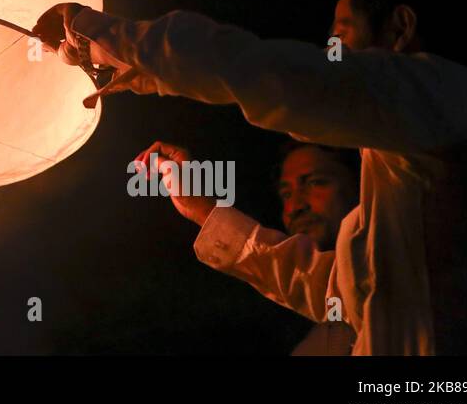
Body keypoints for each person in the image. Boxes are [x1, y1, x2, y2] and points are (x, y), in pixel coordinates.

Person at [34, 0, 467, 354]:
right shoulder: (391, 189)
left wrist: (103, 35)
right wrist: (208, 213)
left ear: (399, 28)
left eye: (342, 31)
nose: (330, 49)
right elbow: (335, 290)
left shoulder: (452, 101)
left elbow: (265, 74)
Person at [135, 139, 359, 354]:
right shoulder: (314, 348)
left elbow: (342, 286)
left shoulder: (386, 280)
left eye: (314, 182)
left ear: (362, 185)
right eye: (286, 194)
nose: (295, 207)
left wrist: (201, 207)